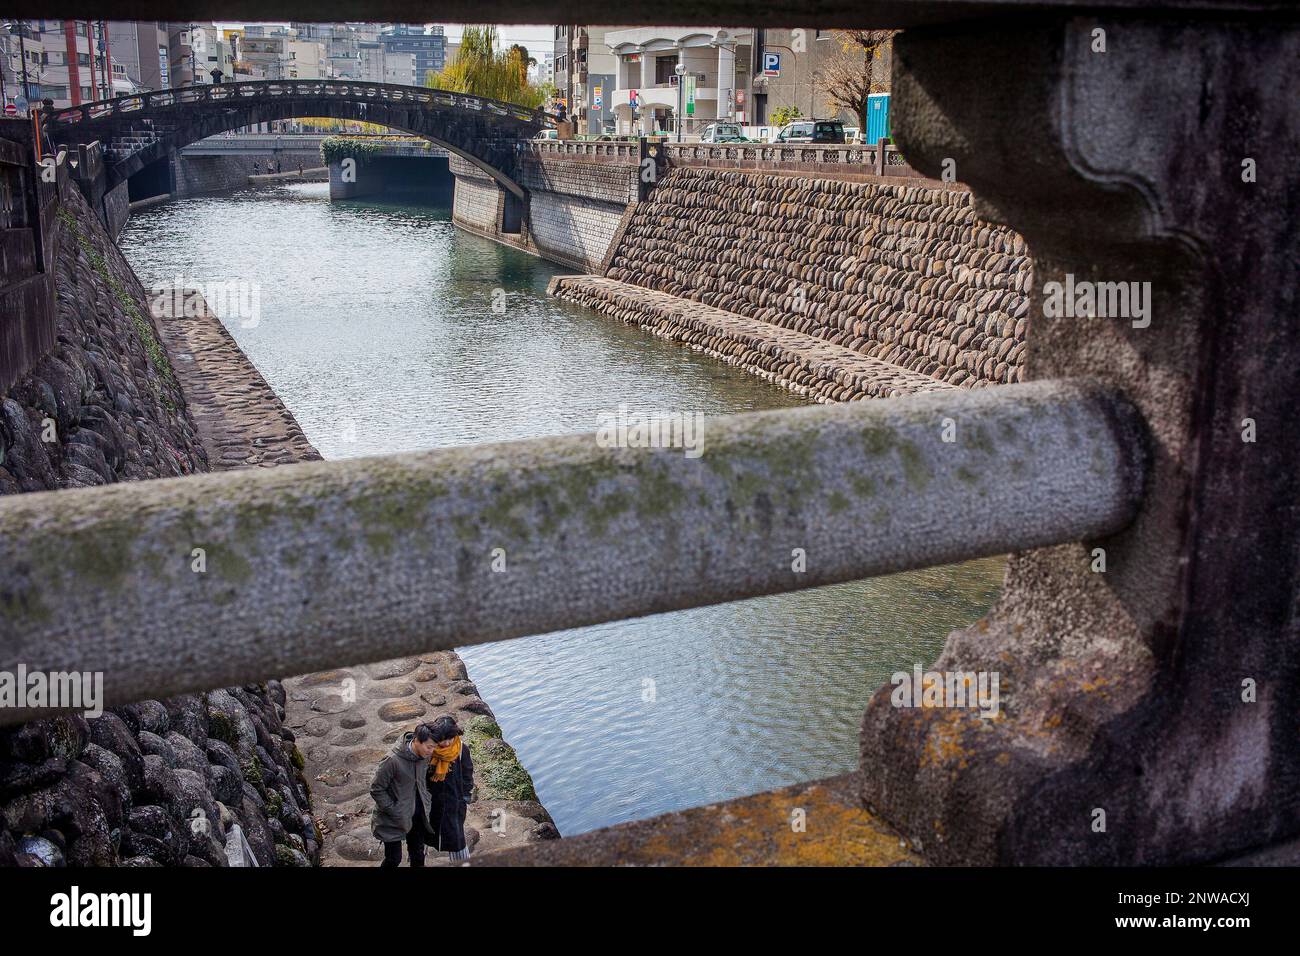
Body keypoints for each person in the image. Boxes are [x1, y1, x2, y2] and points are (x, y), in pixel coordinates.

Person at [370, 723, 437, 867]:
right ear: (417, 740)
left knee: (418, 855)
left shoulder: (424, 757)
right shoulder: (392, 760)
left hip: (418, 816)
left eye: (434, 747)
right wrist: (394, 809)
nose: (432, 751)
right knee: (393, 859)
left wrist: (427, 799)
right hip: (393, 818)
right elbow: (376, 788)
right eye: (429, 746)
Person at [424, 715, 474, 861]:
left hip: (454, 801)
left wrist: (465, 795)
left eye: (450, 738)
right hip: (432, 800)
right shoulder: (430, 750)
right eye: (442, 739)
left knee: (456, 837)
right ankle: (418, 859)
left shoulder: (460, 750)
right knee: (425, 831)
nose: (446, 743)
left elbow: (467, 773)